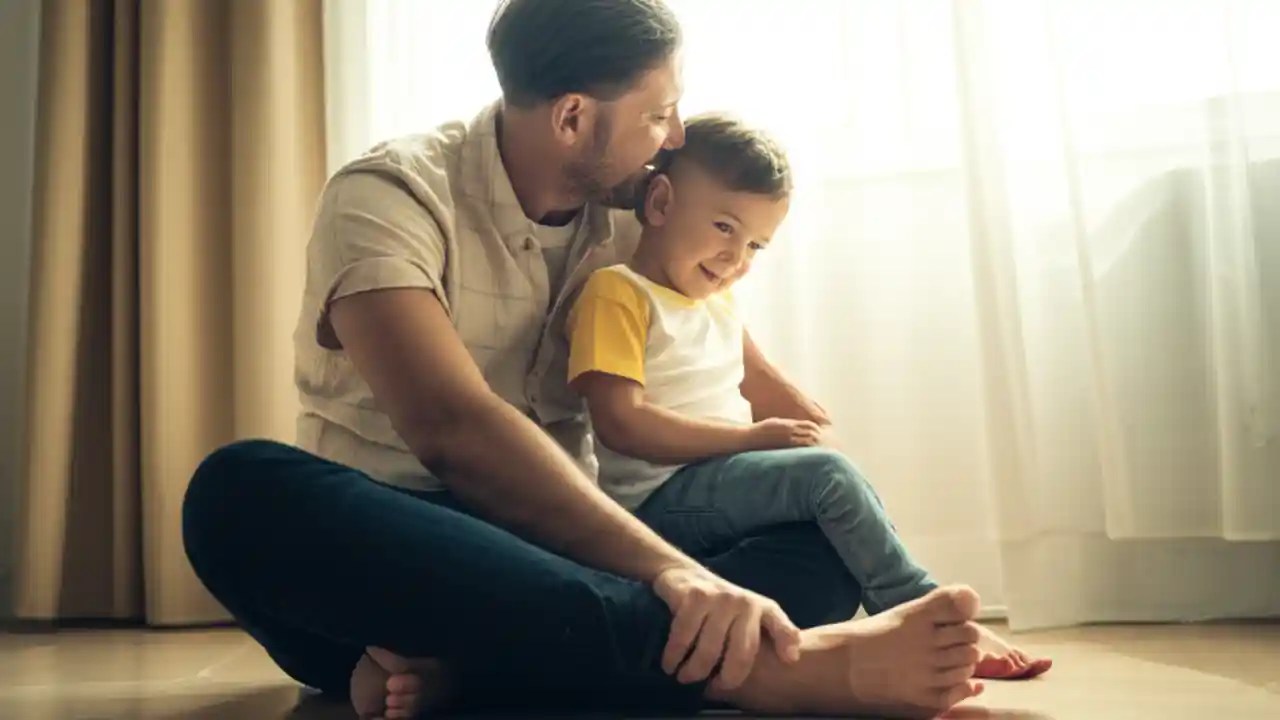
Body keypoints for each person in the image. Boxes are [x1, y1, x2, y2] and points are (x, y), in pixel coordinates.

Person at [181, 1, 990, 718]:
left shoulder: (641, 207)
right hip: (407, 553)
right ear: (572, 118)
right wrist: (678, 577)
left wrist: (781, 413)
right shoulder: (387, 199)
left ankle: (476, 679)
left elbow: (700, 313)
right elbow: (451, 428)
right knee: (237, 492)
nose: (675, 136)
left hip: (572, 554)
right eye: (659, 114)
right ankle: (768, 672)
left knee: (812, 546)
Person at [568, 113, 1053, 681]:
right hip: (655, 502)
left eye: (755, 245)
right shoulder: (618, 293)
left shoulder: (712, 301)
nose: (736, 259)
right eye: (725, 228)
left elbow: (762, 382)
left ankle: (772, 634)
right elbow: (620, 424)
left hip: (714, 489)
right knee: (823, 478)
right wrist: (761, 443)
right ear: (660, 204)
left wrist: (823, 439)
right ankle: (928, 615)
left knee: (830, 549)